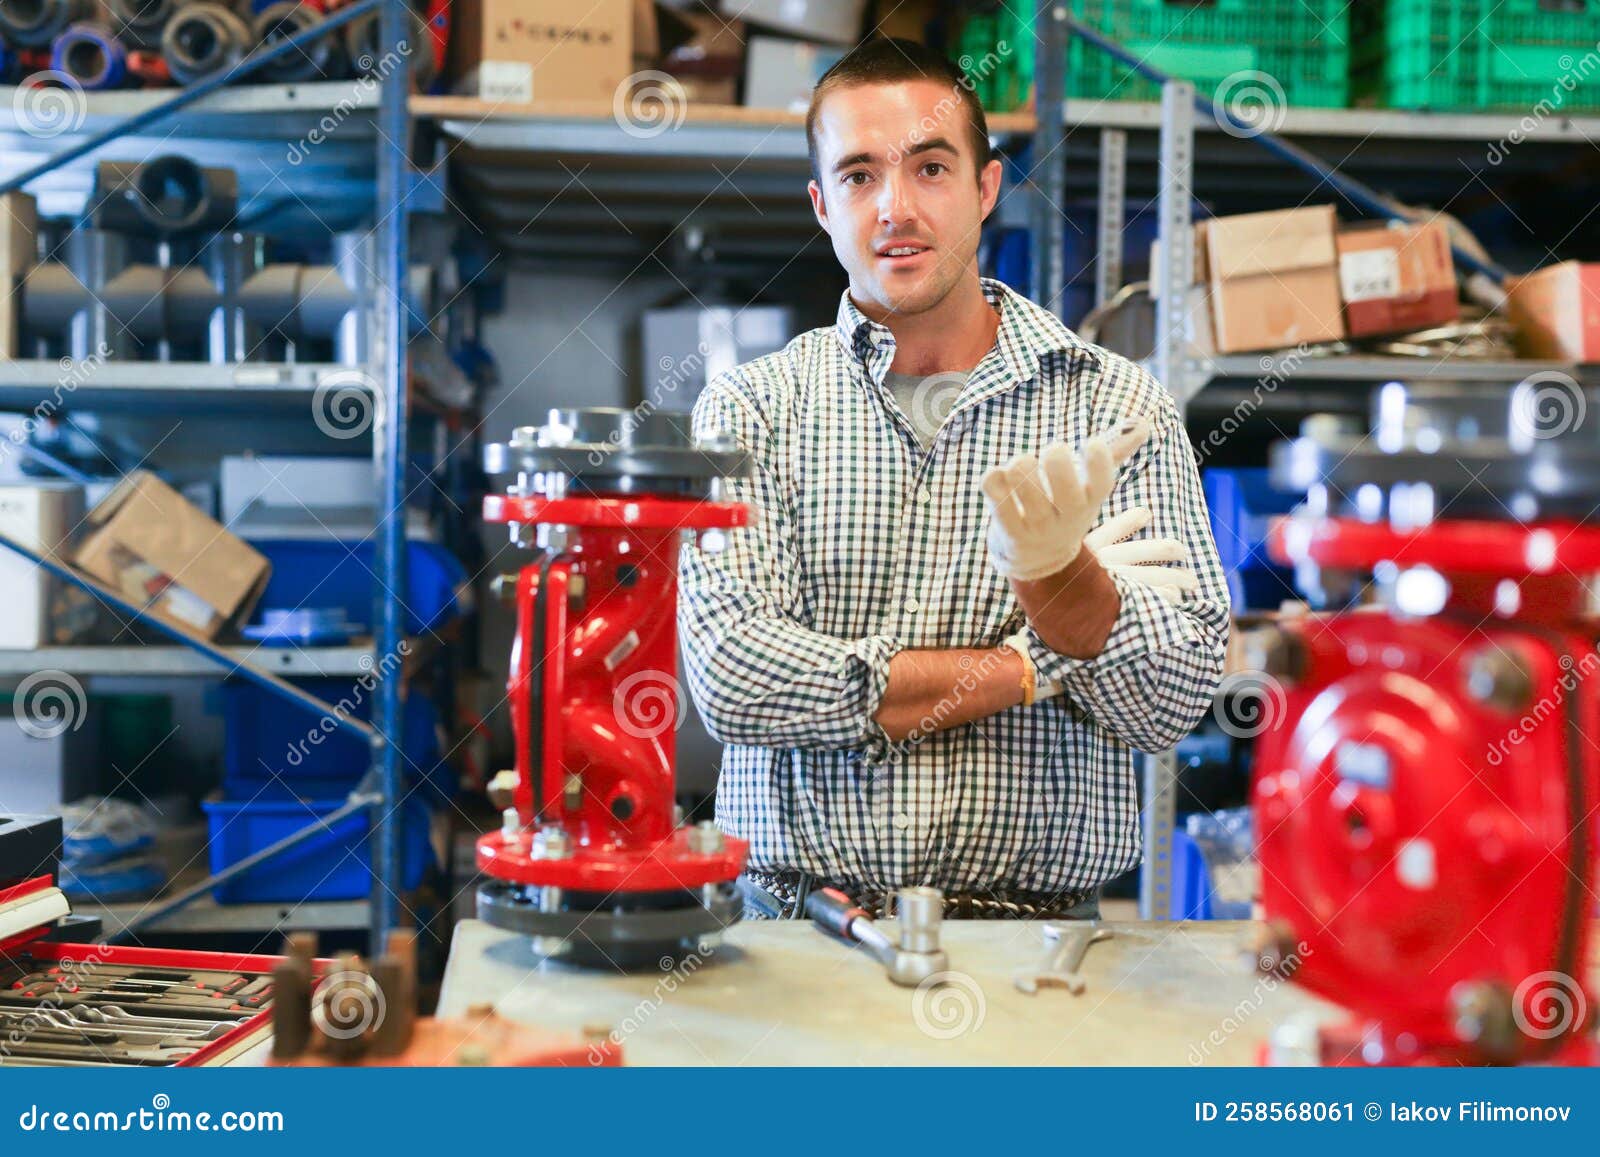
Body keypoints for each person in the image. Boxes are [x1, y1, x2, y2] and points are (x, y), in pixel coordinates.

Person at [677, 38, 1230, 920]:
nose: (895, 206)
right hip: (800, 935)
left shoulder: (1117, 409)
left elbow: (1170, 699)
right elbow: (734, 679)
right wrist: (1030, 656)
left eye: (930, 167)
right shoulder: (752, 409)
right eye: (859, 175)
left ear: (985, 188)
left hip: (1038, 947)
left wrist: (1063, 581)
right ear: (822, 206)